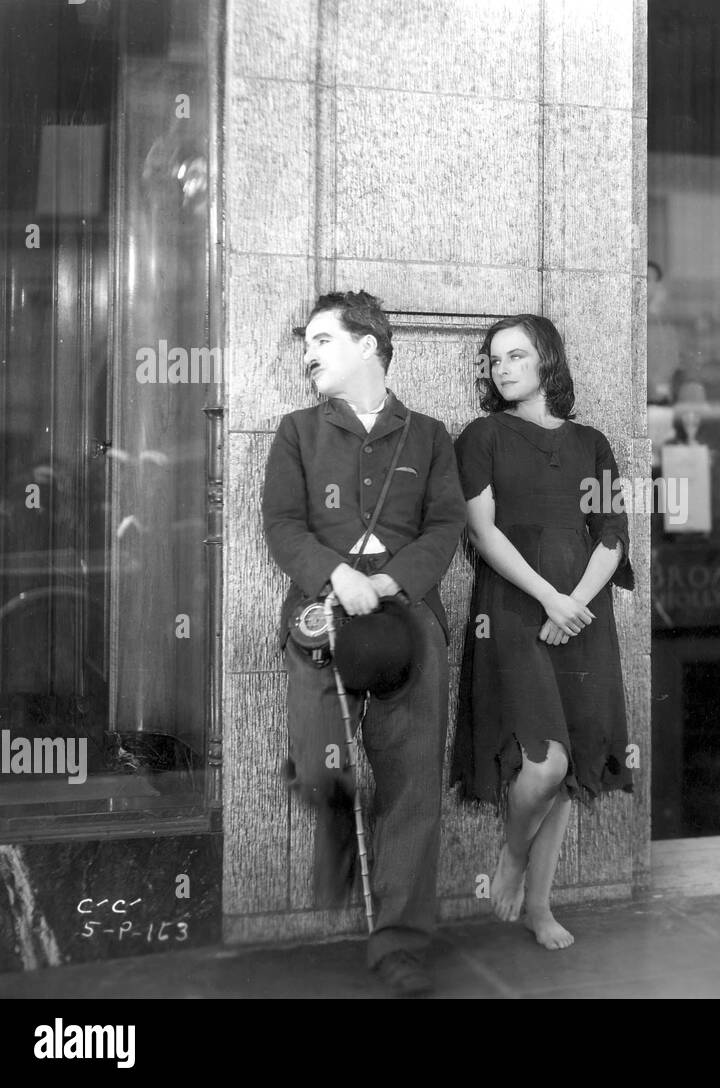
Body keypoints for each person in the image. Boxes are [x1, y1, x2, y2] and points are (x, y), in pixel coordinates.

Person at [262, 290, 465, 996]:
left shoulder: (431, 435)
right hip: (320, 618)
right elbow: (283, 525)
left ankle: (400, 945)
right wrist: (337, 575)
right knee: (321, 769)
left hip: (408, 621)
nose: (308, 353)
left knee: (411, 786)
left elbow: (445, 528)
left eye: (321, 339)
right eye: (305, 343)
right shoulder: (296, 432)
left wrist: (388, 585)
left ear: (369, 345)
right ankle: (336, 823)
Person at [451, 314, 634, 950]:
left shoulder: (593, 442)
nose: (501, 369)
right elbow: (482, 531)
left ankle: (539, 904)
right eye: (493, 359)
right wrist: (549, 599)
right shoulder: (480, 436)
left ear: (547, 361)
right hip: (515, 607)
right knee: (544, 761)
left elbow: (613, 533)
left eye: (516, 356)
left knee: (568, 766)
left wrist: (576, 601)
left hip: (582, 612)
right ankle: (511, 855)